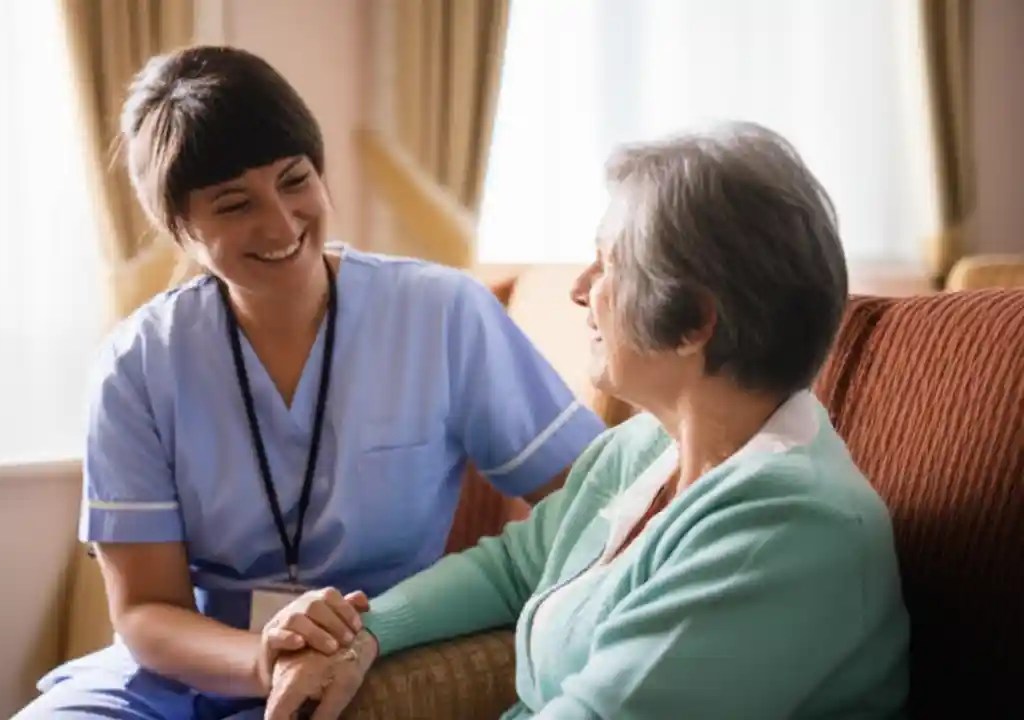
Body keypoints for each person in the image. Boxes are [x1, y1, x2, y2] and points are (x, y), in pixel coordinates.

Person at [14, 46, 603, 719]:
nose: (279, 222)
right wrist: (262, 659)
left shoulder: (440, 314)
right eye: (234, 204)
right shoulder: (136, 366)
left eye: (294, 180)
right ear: (178, 226)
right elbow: (147, 609)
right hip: (201, 663)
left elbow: (596, 497)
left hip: (379, 648)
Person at [265, 122, 911, 720]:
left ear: (694, 321)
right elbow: (512, 568)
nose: (580, 289)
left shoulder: (784, 530)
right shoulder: (646, 447)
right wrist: (362, 631)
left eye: (609, 265)